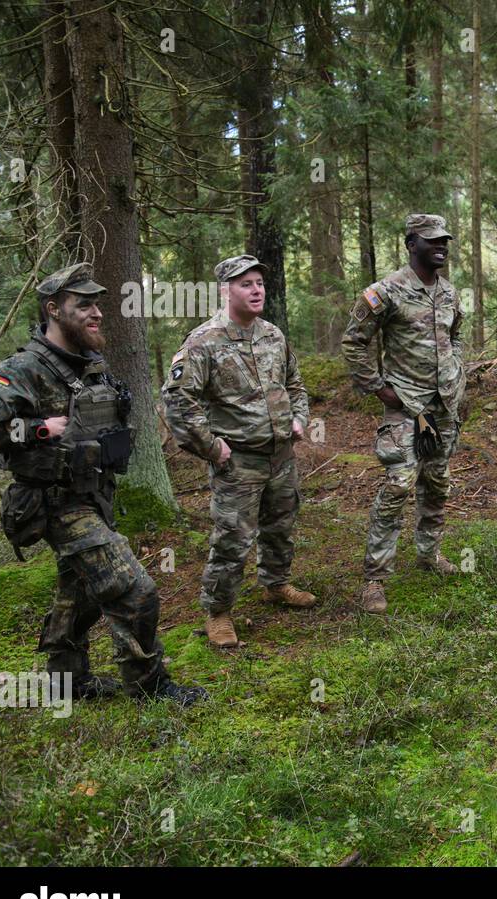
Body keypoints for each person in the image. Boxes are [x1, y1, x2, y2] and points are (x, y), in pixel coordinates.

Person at [0, 264, 205, 704]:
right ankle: (149, 689)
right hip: (56, 502)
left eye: (98, 303)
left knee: (81, 595)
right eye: (84, 305)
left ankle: (67, 682)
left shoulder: (87, 364)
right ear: (54, 309)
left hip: (95, 496)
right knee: (134, 590)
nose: (96, 312)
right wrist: (38, 429)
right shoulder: (24, 368)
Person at [163, 255, 316, 649]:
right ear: (224, 290)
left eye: (260, 283)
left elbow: (295, 383)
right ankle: (218, 613)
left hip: (281, 455)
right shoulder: (204, 342)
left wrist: (299, 417)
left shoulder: (273, 335)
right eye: (245, 283)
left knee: (281, 526)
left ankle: (277, 584)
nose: (256, 290)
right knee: (232, 540)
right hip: (239, 461)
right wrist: (212, 449)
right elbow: (179, 402)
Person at [341, 213, 466, 615]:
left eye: (444, 239)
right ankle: (375, 578)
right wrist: (379, 388)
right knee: (398, 485)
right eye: (431, 241)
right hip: (405, 407)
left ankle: (429, 555)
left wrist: (456, 372)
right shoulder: (385, 292)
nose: (440, 246)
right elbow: (353, 342)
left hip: (442, 407)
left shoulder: (448, 292)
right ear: (411, 244)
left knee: (438, 482)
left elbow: (456, 335)